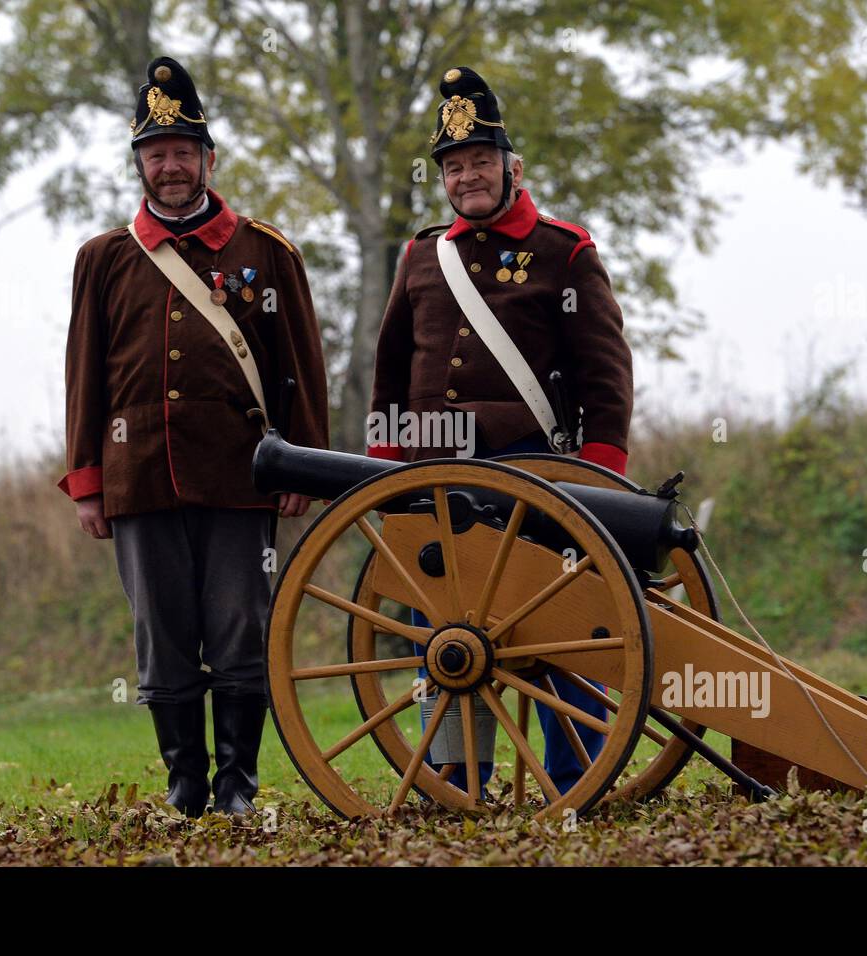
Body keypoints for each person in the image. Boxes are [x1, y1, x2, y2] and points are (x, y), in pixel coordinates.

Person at [58, 56, 329, 817]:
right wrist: (87, 480)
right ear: (140, 164)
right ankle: (184, 781)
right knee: (163, 633)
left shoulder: (265, 251)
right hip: (139, 475)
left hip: (244, 475)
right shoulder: (104, 259)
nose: (170, 166)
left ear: (209, 159)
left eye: (183, 152)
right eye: (156, 153)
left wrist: (302, 466)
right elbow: (85, 376)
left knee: (243, 626)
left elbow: (300, 369)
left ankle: (238, 783)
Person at [367, 66, 634, 796]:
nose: (468, 178)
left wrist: (598, 472)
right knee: (445, 633)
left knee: (555, 627)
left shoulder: (564, 250)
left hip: (532, 473)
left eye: (481, 162)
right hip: (436, 473)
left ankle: (577, 770)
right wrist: (384, 467)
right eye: (455, 167)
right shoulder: (424, 255)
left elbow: (605, 373)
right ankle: (455, 771)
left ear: (512, 168)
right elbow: (392, 367)